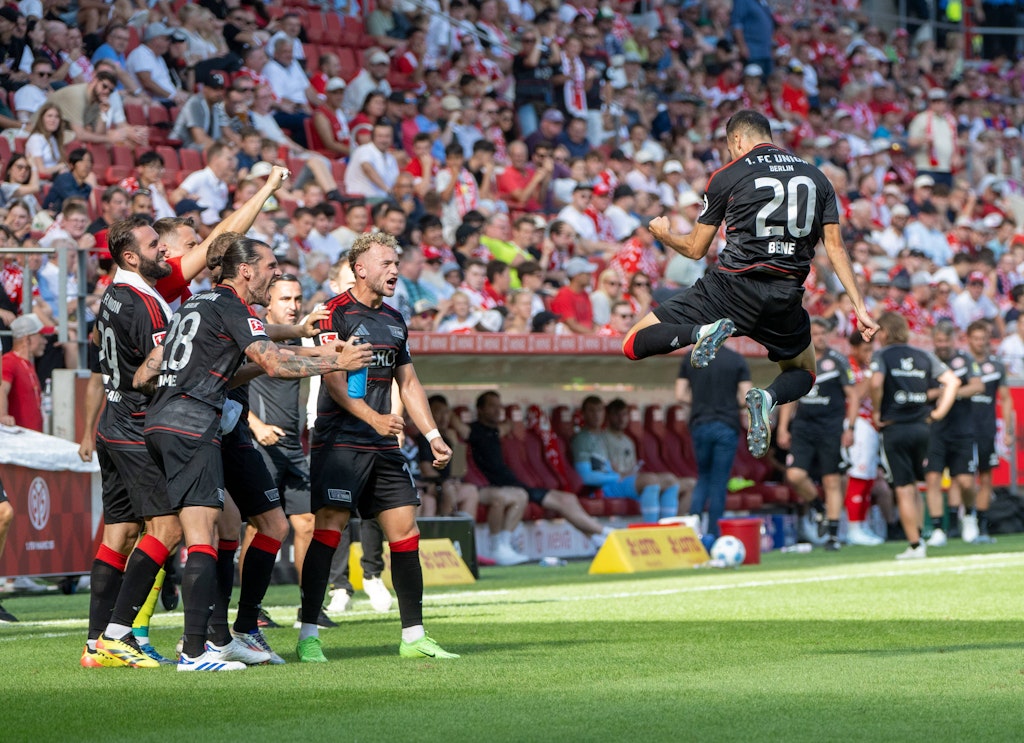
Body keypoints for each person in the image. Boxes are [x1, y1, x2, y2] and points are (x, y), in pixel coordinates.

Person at [137, 237, 371, 671]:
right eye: (271, 267)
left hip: (212, 424)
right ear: (245, 271)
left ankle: (239, 631)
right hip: (193, 423)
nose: (276, 273)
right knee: (202, 532)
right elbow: (275, 365)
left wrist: (307, 345)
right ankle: (192, 646)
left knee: (271, 523)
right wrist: (334, 362)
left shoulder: (209, 304)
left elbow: (236, 364)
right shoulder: (228, 305)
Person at [625, 110, 876, 459]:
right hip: (785, 294)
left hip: (729, 289)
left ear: (738, 140)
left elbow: (696, 249)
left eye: (730, 147)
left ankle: (700, 332)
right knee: (804, 372)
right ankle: (768, 398)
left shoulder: (728, 174)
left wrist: (665, 235)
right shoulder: (817, 177)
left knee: (631, 343)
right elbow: (835, 248)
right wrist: (860, 308)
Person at [298, 230, 459, 662]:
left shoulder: (394, 319)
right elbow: (332, 375)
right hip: (339, 442)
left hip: (382, 444)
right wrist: (374, 418)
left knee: (406, 531)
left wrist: (432, 436)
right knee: (329, 529)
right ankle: (308, 633)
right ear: (360, 268)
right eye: (386, 263)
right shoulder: (333, 313)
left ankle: (414, 636)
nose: (395, 270)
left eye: (396, 263)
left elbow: (408, 382)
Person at [471, 390, 612, 551]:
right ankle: (607, 532)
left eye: (499, 406)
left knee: (569, 498)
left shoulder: (497, 431)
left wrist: (508, 425)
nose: (497, 410)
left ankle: (596, 539)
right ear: (480, 409)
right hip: (502, 487)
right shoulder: (475, 431)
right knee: (564, 501)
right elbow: (468, 430)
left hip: (517, 484)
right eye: (491, 406)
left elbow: (503, 427)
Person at [870, 312, 960, 560]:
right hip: (923, 428)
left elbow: (876, 383)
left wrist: (878, 411)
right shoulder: (923, 355)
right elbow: (952, 381)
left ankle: (914, 544)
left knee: (903, 487)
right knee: (917, 486)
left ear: (885, 333)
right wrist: (939, 413)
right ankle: (919, 536)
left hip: (895, 427)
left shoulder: (882, 355)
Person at [776, 318, 858, 551]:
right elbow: (789, 397)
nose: (819, 338)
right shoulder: (799, 360)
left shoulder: (838, 360)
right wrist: (783, 428)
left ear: (829, 335)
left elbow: (853, 396)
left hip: (830, 427)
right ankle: (818, 508)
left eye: (823, 333)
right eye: (816, 333)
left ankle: (832, 535)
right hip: (803, 427)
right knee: (794, 475)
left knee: (832, 480)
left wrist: (849, 427)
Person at [676, 344, 751, 539]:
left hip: (700, 424)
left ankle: (693, 533)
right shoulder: (736, 359)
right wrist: (727, 402)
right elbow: (746, 397)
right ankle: (714, 535)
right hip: (726, 425)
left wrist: (702, 400)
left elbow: (680, 394)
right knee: (719, 482)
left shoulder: (690, 357)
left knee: (703, 478)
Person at [922, 321, 984, 548]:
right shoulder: (927, 361)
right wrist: (943, 391)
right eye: (938, 341)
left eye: (946, 341)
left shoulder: (964, 360)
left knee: (966, 482)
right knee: (933, 478)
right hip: (934, 429)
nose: (942, 345)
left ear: (953, 340)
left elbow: (978, 386)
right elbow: (921, 392)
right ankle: (939, 528)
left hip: (962, 429)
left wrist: (952, 391)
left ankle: (969, 515)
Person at [572, 395, 680, 523]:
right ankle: (651, 529)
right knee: (650, 480)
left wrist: (618, 472)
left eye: (599, 410)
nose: (596, 415)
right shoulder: (583, 439)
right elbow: (586, 477)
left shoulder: (601, 436)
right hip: (601, 488)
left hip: (615, 481)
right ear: (583, 414)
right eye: (591, 411)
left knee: (670, 480)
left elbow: (606, 465)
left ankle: (668, 528)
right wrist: (617, 476)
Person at [967, 320, 1012, 544]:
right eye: (976, 338)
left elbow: (1005, 399)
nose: (980, 342)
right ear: (969, 340)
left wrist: (1008, 429)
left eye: (983, 338)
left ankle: (982, 527)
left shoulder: (995, 365)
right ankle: (965, 522)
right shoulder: (961, 363)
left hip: (986, 428)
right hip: (962, 428)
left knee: (985, 478)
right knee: (963, 479)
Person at [842, 330, 885, 546]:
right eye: (865, 349)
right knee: (858, 475)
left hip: (871, 425)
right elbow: (856, 395)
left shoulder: (870, 368)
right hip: (857, 423)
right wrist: (870, 377)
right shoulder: (848, 366)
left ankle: (863, 523)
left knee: (869, 478)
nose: (869, 354)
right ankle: (852, 526)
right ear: (854, 348)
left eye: (871, 349)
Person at [0, 313, 45, 430]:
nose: (44, 341)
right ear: (27, 339)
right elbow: (1, 388)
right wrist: (3, 415)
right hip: (20, 440)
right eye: (40, 336)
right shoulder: (9, 361)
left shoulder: (26, 364)